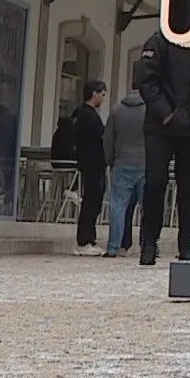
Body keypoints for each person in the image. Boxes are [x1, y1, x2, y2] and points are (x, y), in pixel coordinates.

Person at [132, 29, 190, 266]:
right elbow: (146, 80)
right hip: (161, 126)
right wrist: (166, 113)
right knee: (155, 182)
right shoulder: (161, 39)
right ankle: (149, 244)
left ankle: (187, 247)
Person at [100, 86, 147, 259]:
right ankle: (146, 247)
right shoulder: (149, 110)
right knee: (147, 207)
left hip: (122, 163)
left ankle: (114, 246)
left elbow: (108, 139)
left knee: (118, 206)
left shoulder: (116, 110)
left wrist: (110, 161)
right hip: (145, 163)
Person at [70, 81, 109, 255]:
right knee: (91, 201)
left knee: (94, 201)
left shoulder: (86, 114)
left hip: (92, 163)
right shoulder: (88, 116)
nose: (103, 98)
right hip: (92, 163)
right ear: (94, 93)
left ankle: (89, 238)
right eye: (102, 94)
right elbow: (101, 136)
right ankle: (84, 240)